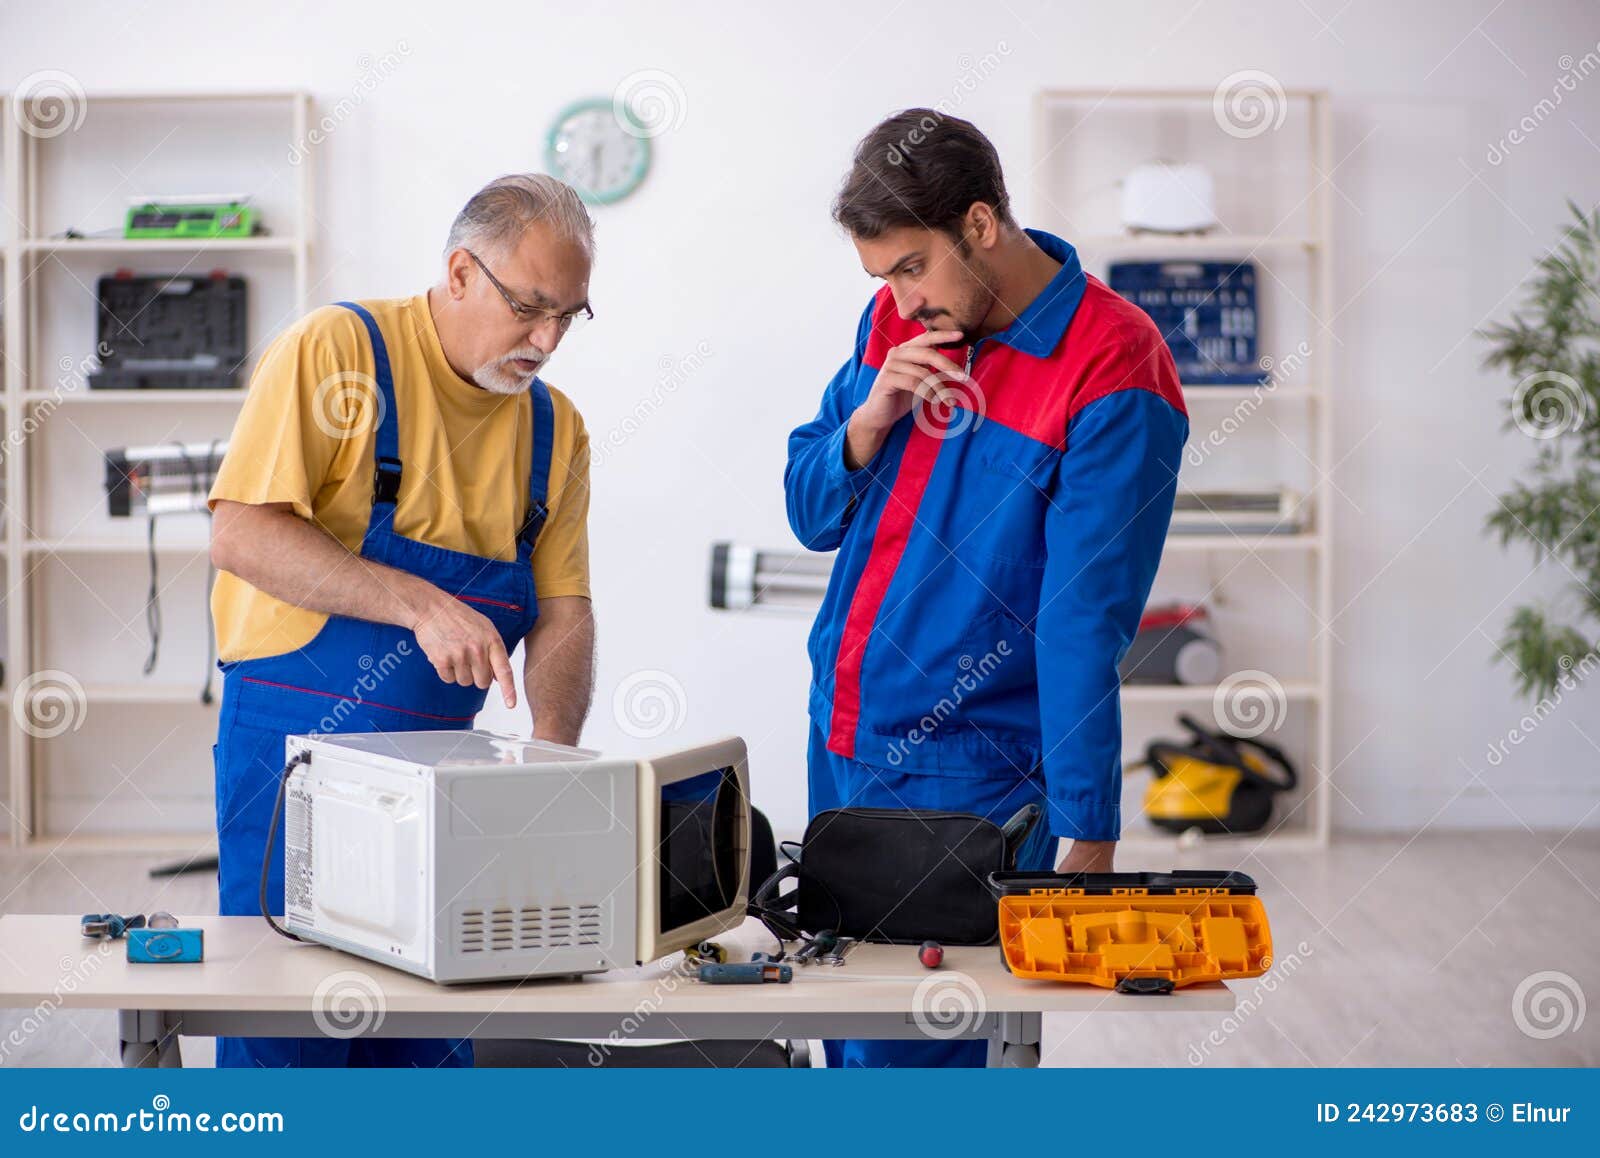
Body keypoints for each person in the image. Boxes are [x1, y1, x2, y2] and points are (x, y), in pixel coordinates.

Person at [785, 110, 1189, 1068]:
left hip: (970, 777)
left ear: (979, 224)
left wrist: (1089, 836)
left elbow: (1081, 624)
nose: (898, 295)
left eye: (911, 266)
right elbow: (810, 510)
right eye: (882, 276)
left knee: (923, 1072)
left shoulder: (1114, 368)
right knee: (845, 1039)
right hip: (840, 737)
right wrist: (871, 416)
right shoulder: (901, 322)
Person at [207, 174, 597, 1068]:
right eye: (530, 308)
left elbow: (566, 608)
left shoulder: (554, 430)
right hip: (295, 768)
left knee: (430, 1052)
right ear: (461, 272)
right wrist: (418, 603)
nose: (546, 340)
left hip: (448, 797)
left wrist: (552, 753)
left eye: (569, 316)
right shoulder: (339, 351)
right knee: (288, 1043)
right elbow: (240, 533)